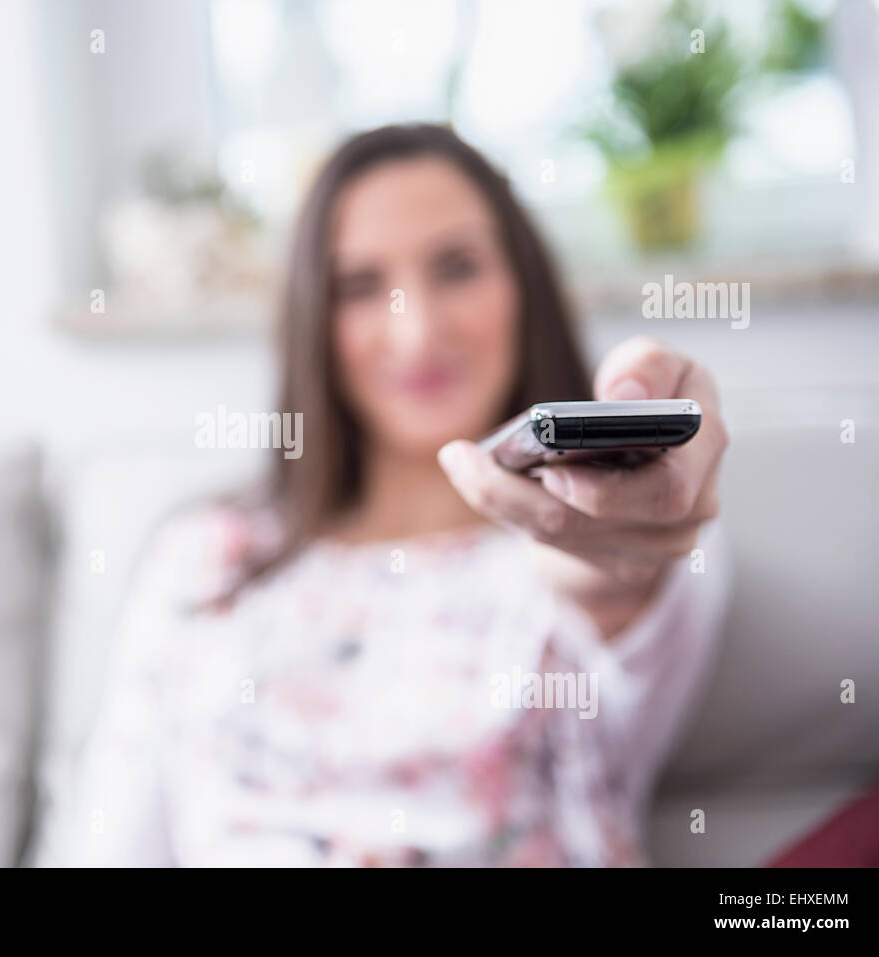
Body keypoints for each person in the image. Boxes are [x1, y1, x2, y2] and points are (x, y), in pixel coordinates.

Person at [65, 123, 731, 867]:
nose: (415, 333)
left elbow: (615, 584)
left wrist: (615, 546)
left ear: (523, 286)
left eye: (456, 267)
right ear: (313, 319)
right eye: (359, 285)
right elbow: (109, 843)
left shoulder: (594, 537)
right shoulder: (205, 555)